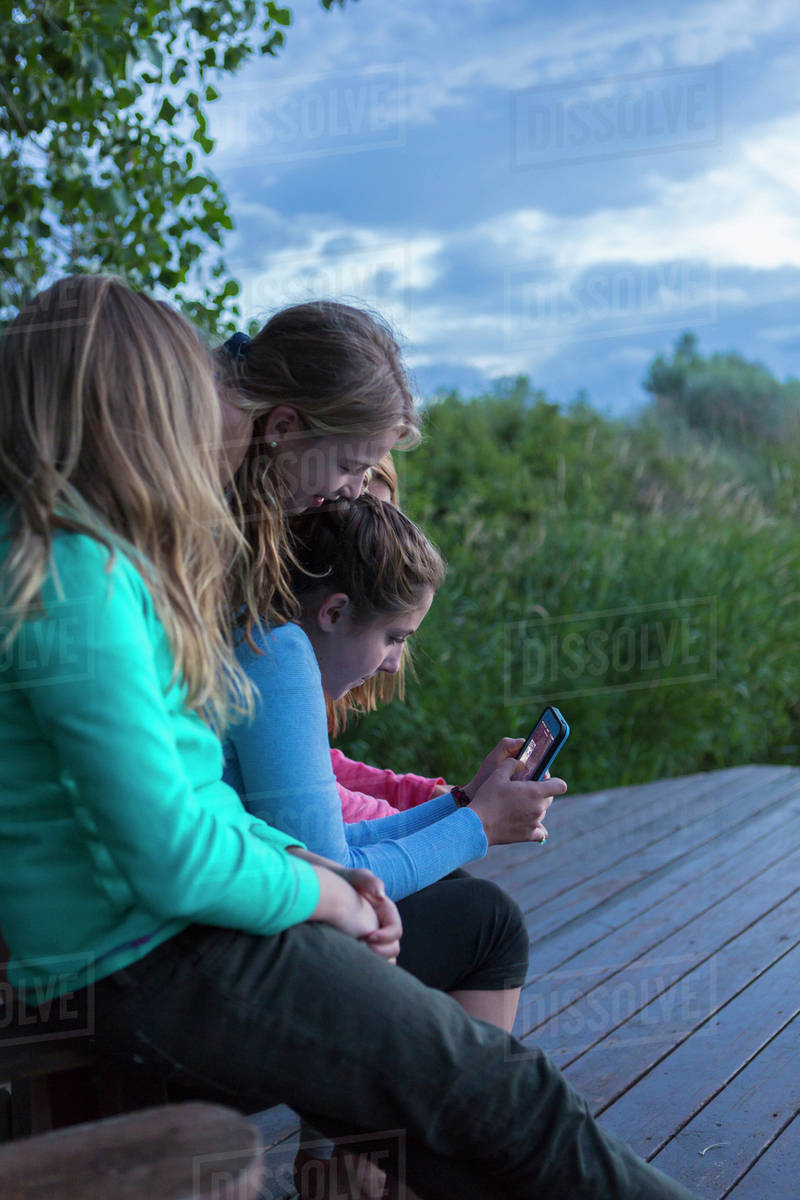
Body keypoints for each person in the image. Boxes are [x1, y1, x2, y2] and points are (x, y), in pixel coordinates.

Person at [0, 276, 699, 1200]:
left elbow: (196, 794)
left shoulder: (101, 567)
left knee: (470, 1123)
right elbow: (169, 852)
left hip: (167, 942)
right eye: (184, 400)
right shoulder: (75, 580)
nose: (211, 428)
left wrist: (312, 865)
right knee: (509, 1094)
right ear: (125, 419)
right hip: (156, 956)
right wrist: (323, 892)